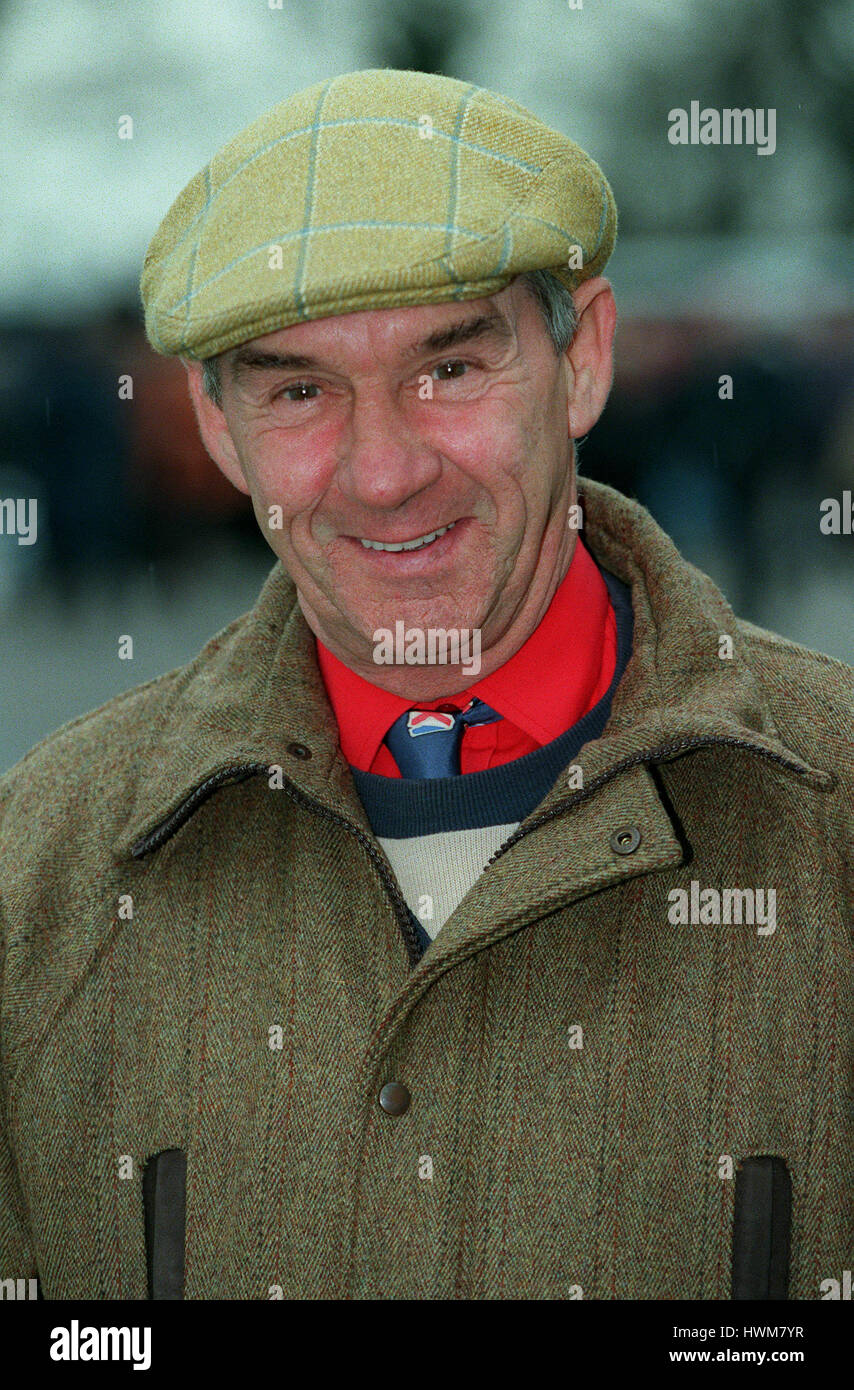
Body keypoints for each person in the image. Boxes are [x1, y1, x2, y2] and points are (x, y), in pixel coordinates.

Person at [0, 69, 850, 1302]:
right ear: (218, 430)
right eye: (299, 390)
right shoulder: (39, 873)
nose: (384, 472)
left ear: (583, 362)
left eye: (448, 371)